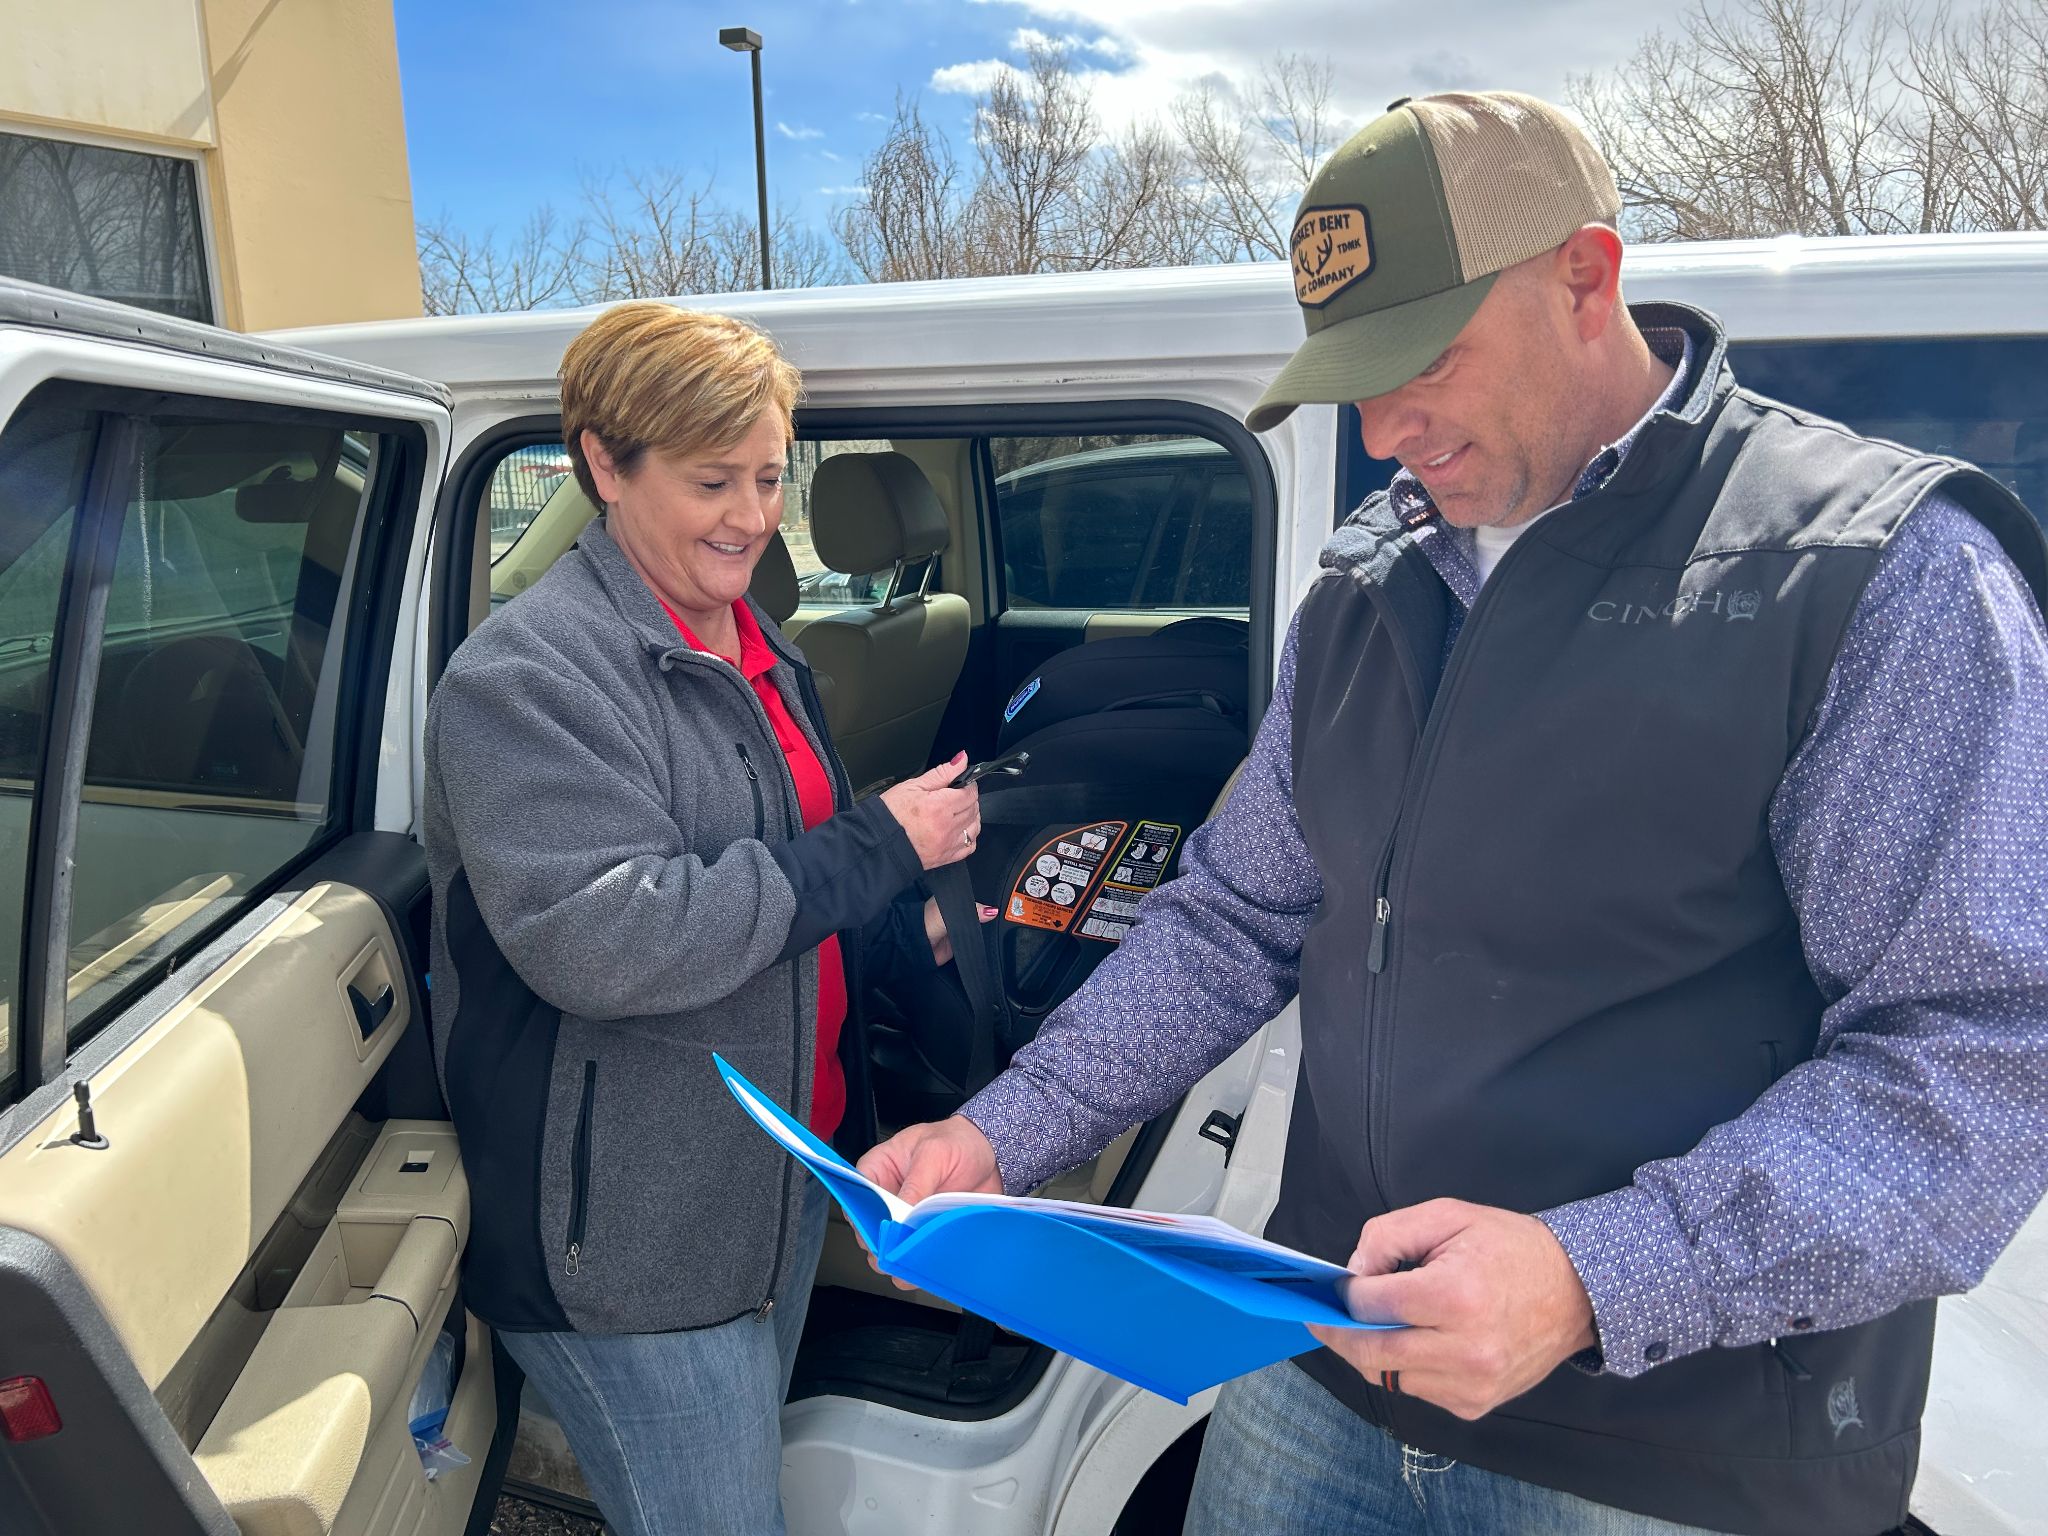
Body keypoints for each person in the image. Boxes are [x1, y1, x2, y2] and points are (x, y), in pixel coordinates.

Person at [859, 91, 2048, 1536]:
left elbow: (1982, 1059)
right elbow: (1239, 916)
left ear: (1587, 277)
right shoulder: (1368, 586)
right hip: (1327, 1378)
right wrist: (1007, 1131)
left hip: (1674, 1447)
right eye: (1352, 378)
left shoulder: (1870, 575)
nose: (1381, 425)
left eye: (1424, 358)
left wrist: (1599, 1277)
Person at [422, 302, 983, 1536]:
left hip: (773, 1180)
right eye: (711, 479)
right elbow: (606, 936)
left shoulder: (748, 644)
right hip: (636, 1246)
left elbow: (783, 883)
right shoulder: (527, 679)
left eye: (771, 477)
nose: (751, 515)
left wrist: (907, 926)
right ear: (603, 466)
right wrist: (883, 843)